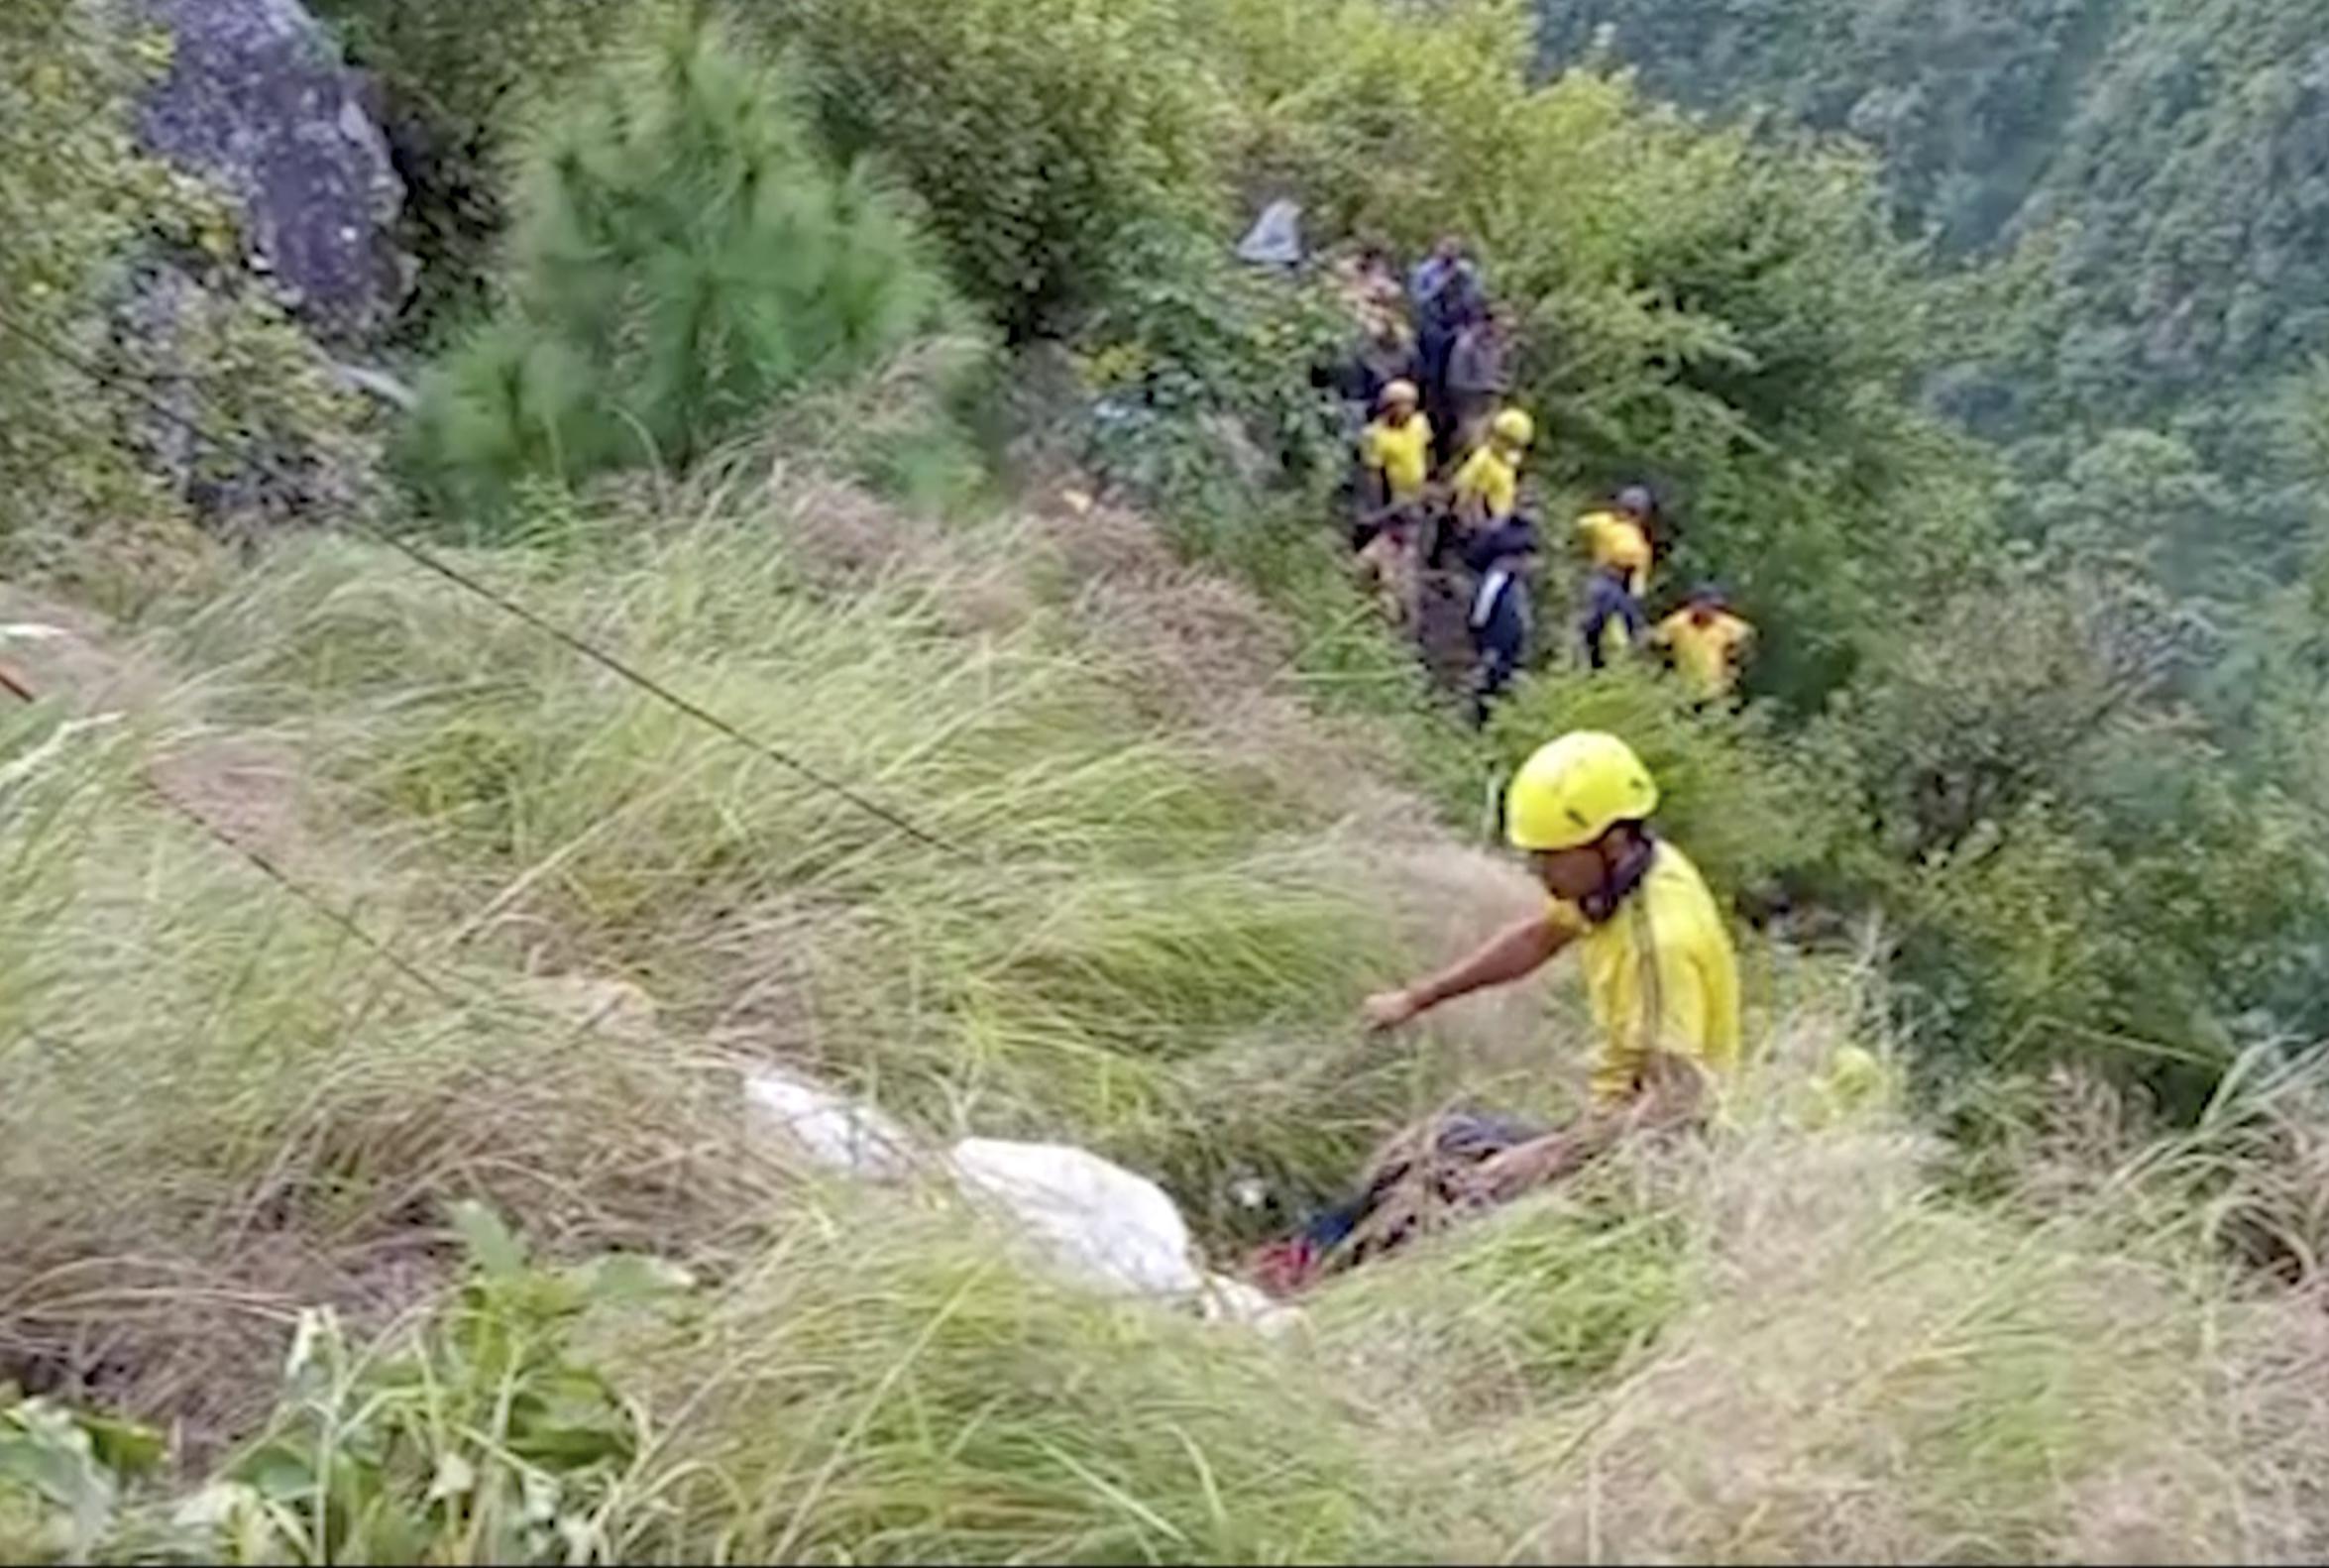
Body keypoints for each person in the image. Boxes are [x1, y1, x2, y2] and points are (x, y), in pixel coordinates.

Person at [1362, 731, 1741, 1199]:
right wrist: (1418, 998)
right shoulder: (1623, 879)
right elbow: (1538, 939)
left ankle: (1309, 1266)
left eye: (1551, 856)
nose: (1539, 871)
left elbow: (1673, 1104)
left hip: (1647, 1163)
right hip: (1604, 1132)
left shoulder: (1658, 944)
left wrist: (1545, 1157)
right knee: (1430, 1147)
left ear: (1612, 841)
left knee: (1440, 1199)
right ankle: (1304, 1254)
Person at [1464, 515, 1538, 726]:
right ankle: (1480, 724)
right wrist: (1478, 629)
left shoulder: (1514, 582)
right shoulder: (1499, 578)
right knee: (1489, 682)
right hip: (1495, 642)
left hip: (1508, 646)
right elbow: (1482, 607)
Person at [1573, 485, 1656, 669]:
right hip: (1604, 576)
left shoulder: (1639, 540)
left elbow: (1640, 571)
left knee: (1626, 627)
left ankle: (1623, 663)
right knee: (1592, 622)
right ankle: (1590, 659)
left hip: (1622, 583)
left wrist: (1636, 591)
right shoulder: (1604, 522)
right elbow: (1579, 526)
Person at [1652, 583, 1755, 706]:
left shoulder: (1728, 627)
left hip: (1717, 689)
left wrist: (1735, 665)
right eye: (1702, 605)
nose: (1707, 610)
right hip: (1683, 687)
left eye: (1712, 606)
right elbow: (1656, 641)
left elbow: (1747, 640)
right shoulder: (1677, 624)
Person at [1445, 303, 1511, 459]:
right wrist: (1487, 387)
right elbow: (1456, 379)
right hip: (1469, 398)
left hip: (1491, 395)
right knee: (1472, 438)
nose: (1503, 331)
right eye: (1501, 325)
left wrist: (1501, 383)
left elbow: (1502, 370)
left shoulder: (1499, 344)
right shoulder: (1466, 345)